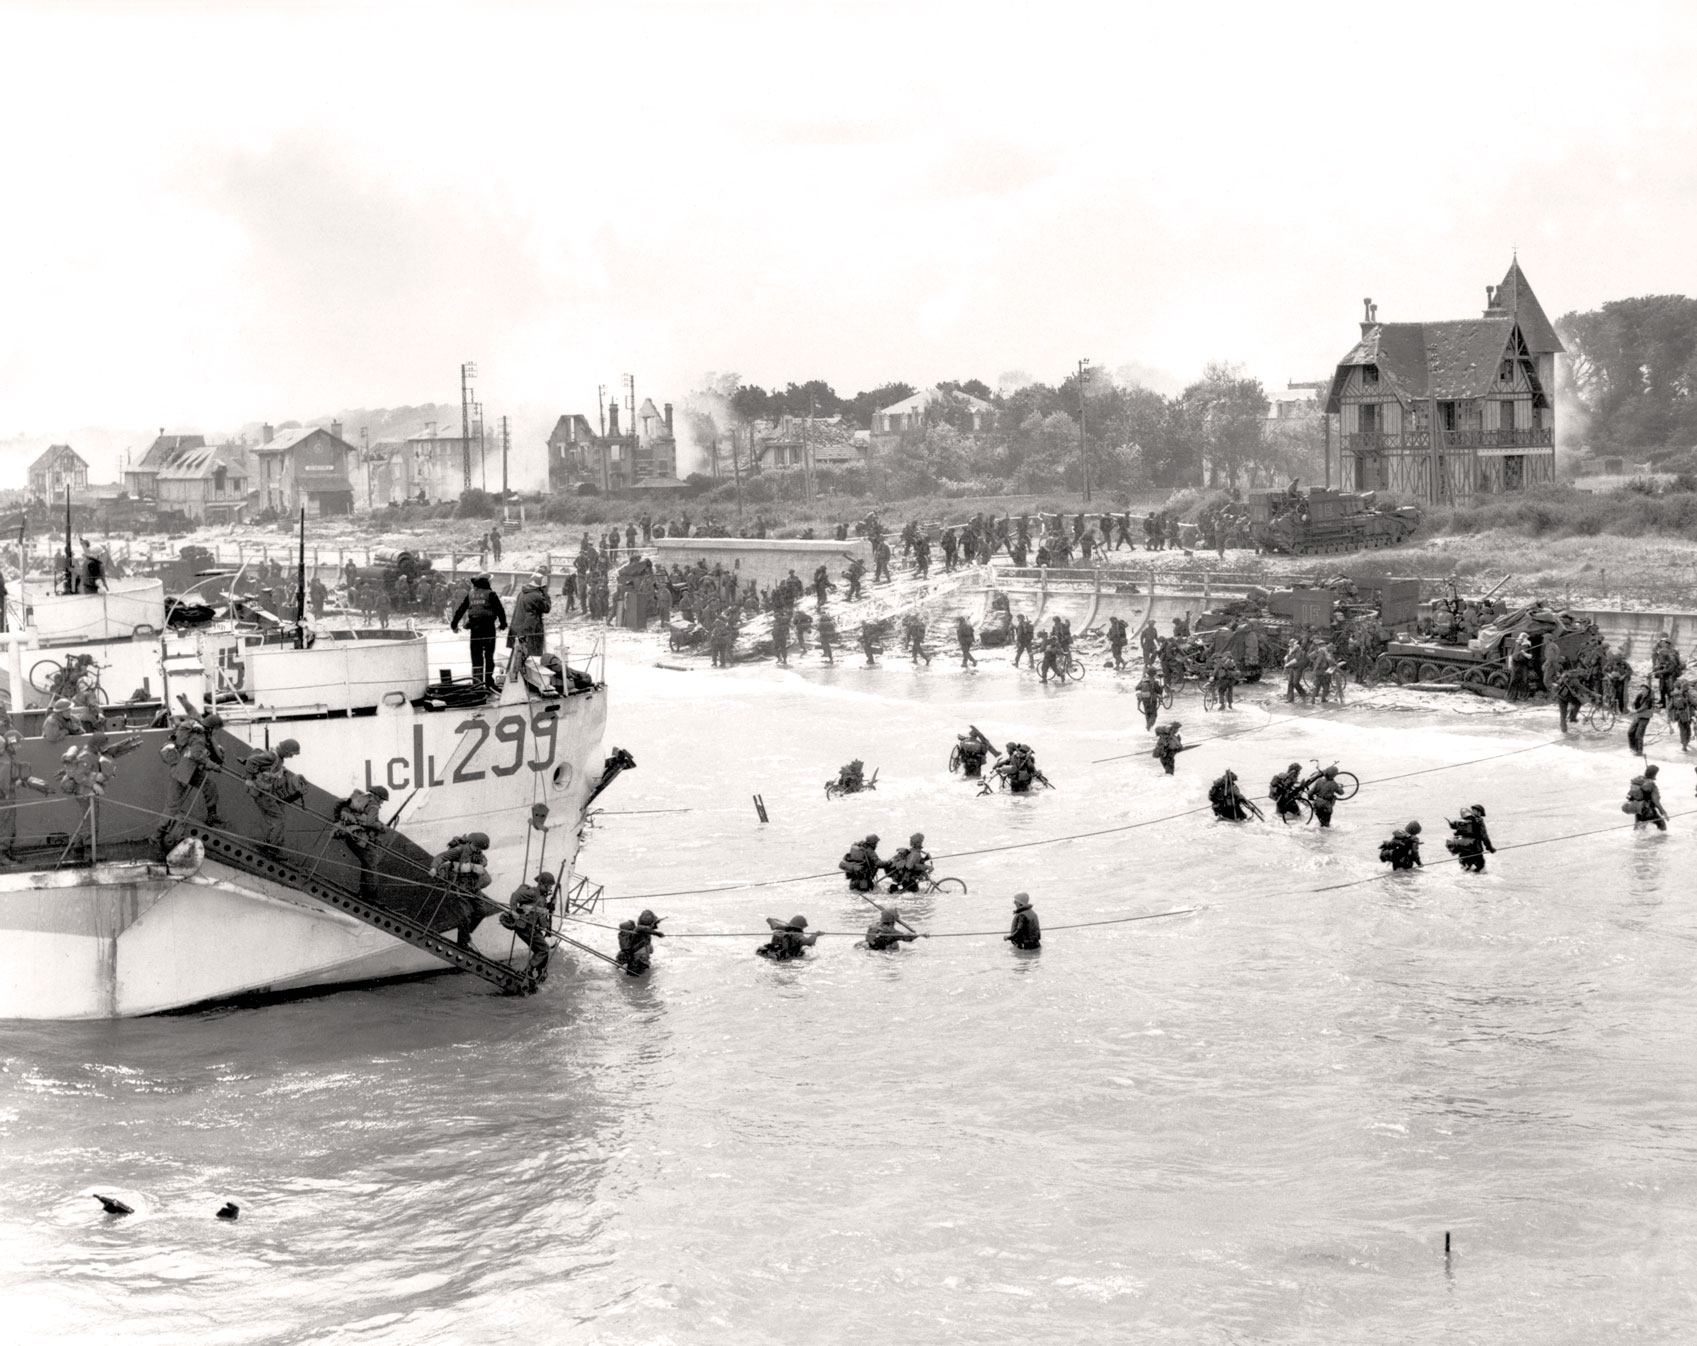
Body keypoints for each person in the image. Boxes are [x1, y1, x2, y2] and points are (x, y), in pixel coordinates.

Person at [244, 738, 303, 857]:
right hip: (260, 792)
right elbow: (251, 761)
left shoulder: (278, 759)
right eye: (291, 754)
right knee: (279, 819)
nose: (291, 757)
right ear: (286, 751)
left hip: (265, 791)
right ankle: (269, 847)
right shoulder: (272, 756)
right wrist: (249, 779)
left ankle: (271, 845)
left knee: (278, 817)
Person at [451, 573, 509, 689]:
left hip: (475, 629)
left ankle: (477, 683)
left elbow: (461, 609)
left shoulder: (471, 594)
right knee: (489, 655)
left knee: (476, 656)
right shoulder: (490, 594)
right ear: (487, 582)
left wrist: (454, 624)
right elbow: (500, 610)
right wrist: (503, 624)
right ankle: (488, 682)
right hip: (488, 628)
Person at [504, 871, 559, 980]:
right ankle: (528, 971)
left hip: (531, 928)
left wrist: (550, 905)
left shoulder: (541, 897)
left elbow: (537, 907)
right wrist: (513, 910)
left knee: (542, 949)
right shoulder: (533, 893)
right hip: (525, 927)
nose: (549, 889)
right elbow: (515, 895)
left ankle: (539, 972)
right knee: (544, 949)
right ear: (542, 884)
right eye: (548, 887)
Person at [508, 571, 553, 667]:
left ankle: (514, 673)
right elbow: (547, 608)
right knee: (523, 654)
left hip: (519, 627)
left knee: (517, 654)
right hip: (530, 629)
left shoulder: (522, 592)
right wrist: (546, 594)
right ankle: (517, 675)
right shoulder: (536, 595)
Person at [1446, 804, 1496, 873]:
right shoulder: (1479, 821)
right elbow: (1484, 836)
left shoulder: (1461, 821)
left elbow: (1453, 826)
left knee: (1465, 869)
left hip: (1463, 850)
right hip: (1475, 850)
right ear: (1479, 812)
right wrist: (1490, 848)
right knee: (1481, 870)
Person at [616, 908, 665, 976]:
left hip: (639, 962)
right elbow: (641, 928)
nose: (656, 926)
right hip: (637, 963)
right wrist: (657, 933)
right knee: (636, 981)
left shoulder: (644, 934)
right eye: (655, 923)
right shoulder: (638, 930)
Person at [1626, 763, 1666, 830]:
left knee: (1638, 829)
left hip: (1638, 809)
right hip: (1648, 810)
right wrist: (1663, 812)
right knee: (1662, 825)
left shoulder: (1637, 781)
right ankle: (1662, 840)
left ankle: (1636, 840)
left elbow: (1630, 796)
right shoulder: (1651, 784)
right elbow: (1656, 801)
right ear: (1654, 774)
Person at [1553, 664, 1588, 735]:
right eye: (1583, 671)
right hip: (1566, 696)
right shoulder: (1574, 678)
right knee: (1578, 703)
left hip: (1560, 694)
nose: (1584, 673)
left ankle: (1563, 728)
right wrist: (1592, 693)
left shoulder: (1565, 675)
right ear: (1579, 671)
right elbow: (1581, 688)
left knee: (1563, 712)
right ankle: (1572, 718)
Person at [1627, 682, 1655, 755]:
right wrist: (1633, 708)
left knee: (1639, 734)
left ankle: (1639, 751)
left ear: (1648, 690)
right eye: (1641, 689)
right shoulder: (1640, 695)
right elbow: (1634, 703)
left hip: (1644, 717)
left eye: (1644, 689)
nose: (1642, 691)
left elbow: (1644, 707)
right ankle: (1633, 748)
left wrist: (1635, 711)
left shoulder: (1649, 698)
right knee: (1630, 732)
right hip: (1638, 716)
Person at [1669, 679, 1694, 752]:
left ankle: (1687, 740)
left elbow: (1693, 702)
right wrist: (1669, 712)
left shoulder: (1686, 695)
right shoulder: (1674, 696)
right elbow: (1671, 705)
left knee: (1687, 728)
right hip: (1680, 715)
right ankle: (1684, 743)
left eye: (1676, 688)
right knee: (1682, 729)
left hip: (1687, 714)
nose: (1675, 689)